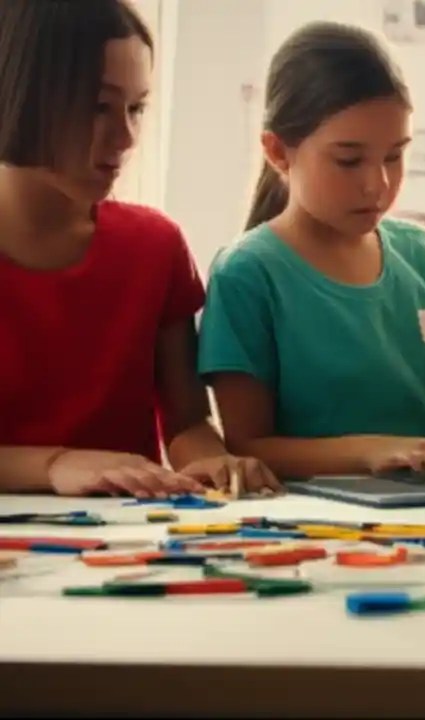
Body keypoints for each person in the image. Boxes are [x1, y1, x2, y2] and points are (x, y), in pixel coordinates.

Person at [198, 22, 425, 481]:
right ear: (278, 151)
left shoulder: (424, 259)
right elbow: (248, 447)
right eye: (349, 160)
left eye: (395, 155)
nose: (379, 184)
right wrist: (371, 452)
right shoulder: (247, 274)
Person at [0, 0, 278, 497]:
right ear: (20, 93)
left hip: (128, 538)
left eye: (137, 107)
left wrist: (216, 464)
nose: (126, 137)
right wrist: (56, 465)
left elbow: (187, 426)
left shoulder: (155, 246)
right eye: (97, 107)